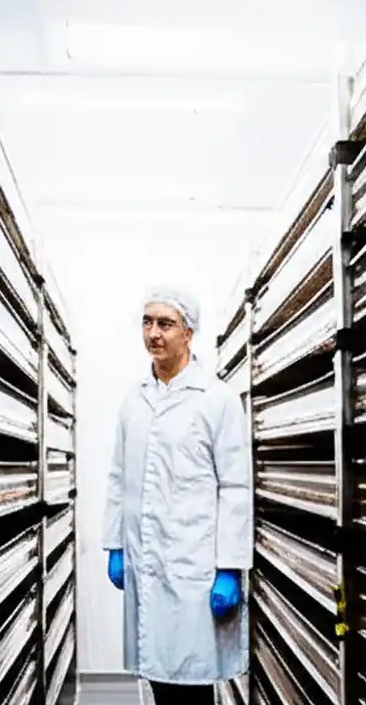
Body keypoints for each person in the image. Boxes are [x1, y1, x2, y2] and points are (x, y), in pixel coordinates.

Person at [101, 286, 252, 705]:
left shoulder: (217, 400)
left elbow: (236, 488)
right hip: (144, 559)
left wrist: (229, 568)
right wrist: (114, 545)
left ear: (189, 333)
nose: (154, 333)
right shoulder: (134, 400)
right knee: (157, 677)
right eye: (147, 322)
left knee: (192, 683)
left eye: (165, 324)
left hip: (195, 566)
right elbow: (118, 475)